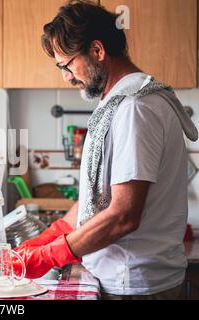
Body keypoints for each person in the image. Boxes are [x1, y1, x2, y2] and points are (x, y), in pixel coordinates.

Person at [12, 0, 198, 300]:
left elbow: (123, 215)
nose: (66, 77)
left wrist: (51, 255)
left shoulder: (136, 108)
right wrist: (49, 235)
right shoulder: (118, 103)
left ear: (97, 51)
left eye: (67, 65)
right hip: (121, 280)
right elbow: (94, 202)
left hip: (135, 285)